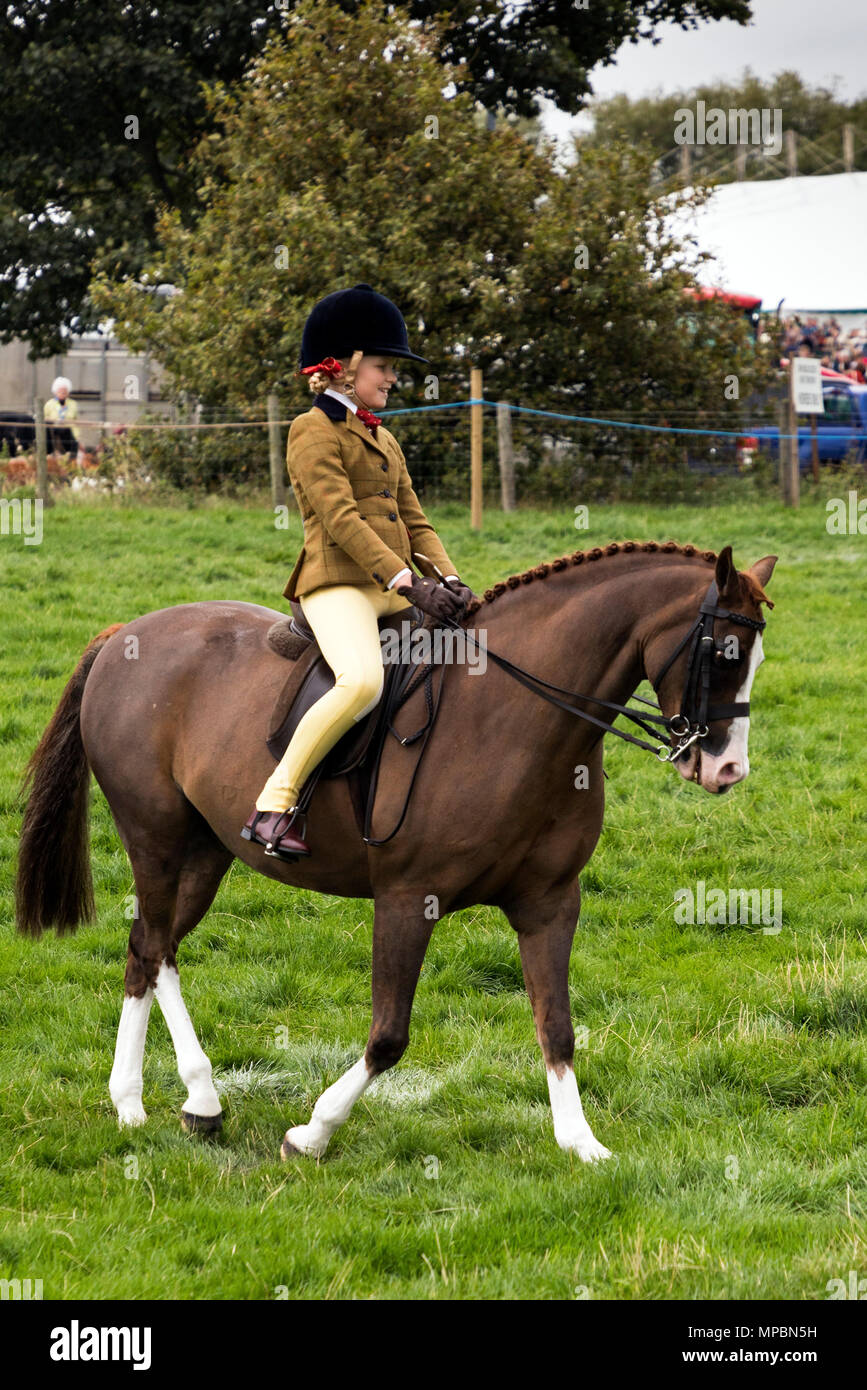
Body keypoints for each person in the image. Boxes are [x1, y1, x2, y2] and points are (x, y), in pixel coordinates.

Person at [241, 284, 476, 860]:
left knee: (469, 657)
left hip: (398, 588)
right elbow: (341, 519)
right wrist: (406, 582)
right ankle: (274, 804)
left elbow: (416, 522)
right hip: (338, 587)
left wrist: (448, 579)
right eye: (383, 366)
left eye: (392, 367)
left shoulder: (383, 437)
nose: (392, 377)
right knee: (364, 682)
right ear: (343, 368)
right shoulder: (311, 431)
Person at [43, 377, 80, 455]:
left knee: (72, 451)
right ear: (55, 392)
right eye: (60, 391)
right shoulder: (49, 404)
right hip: (53, 432)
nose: (63, 393)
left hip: (69, 433)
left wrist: (77, 436)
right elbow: (43, 419)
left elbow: (77, 421)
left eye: (65, 391)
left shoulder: (73, 404)